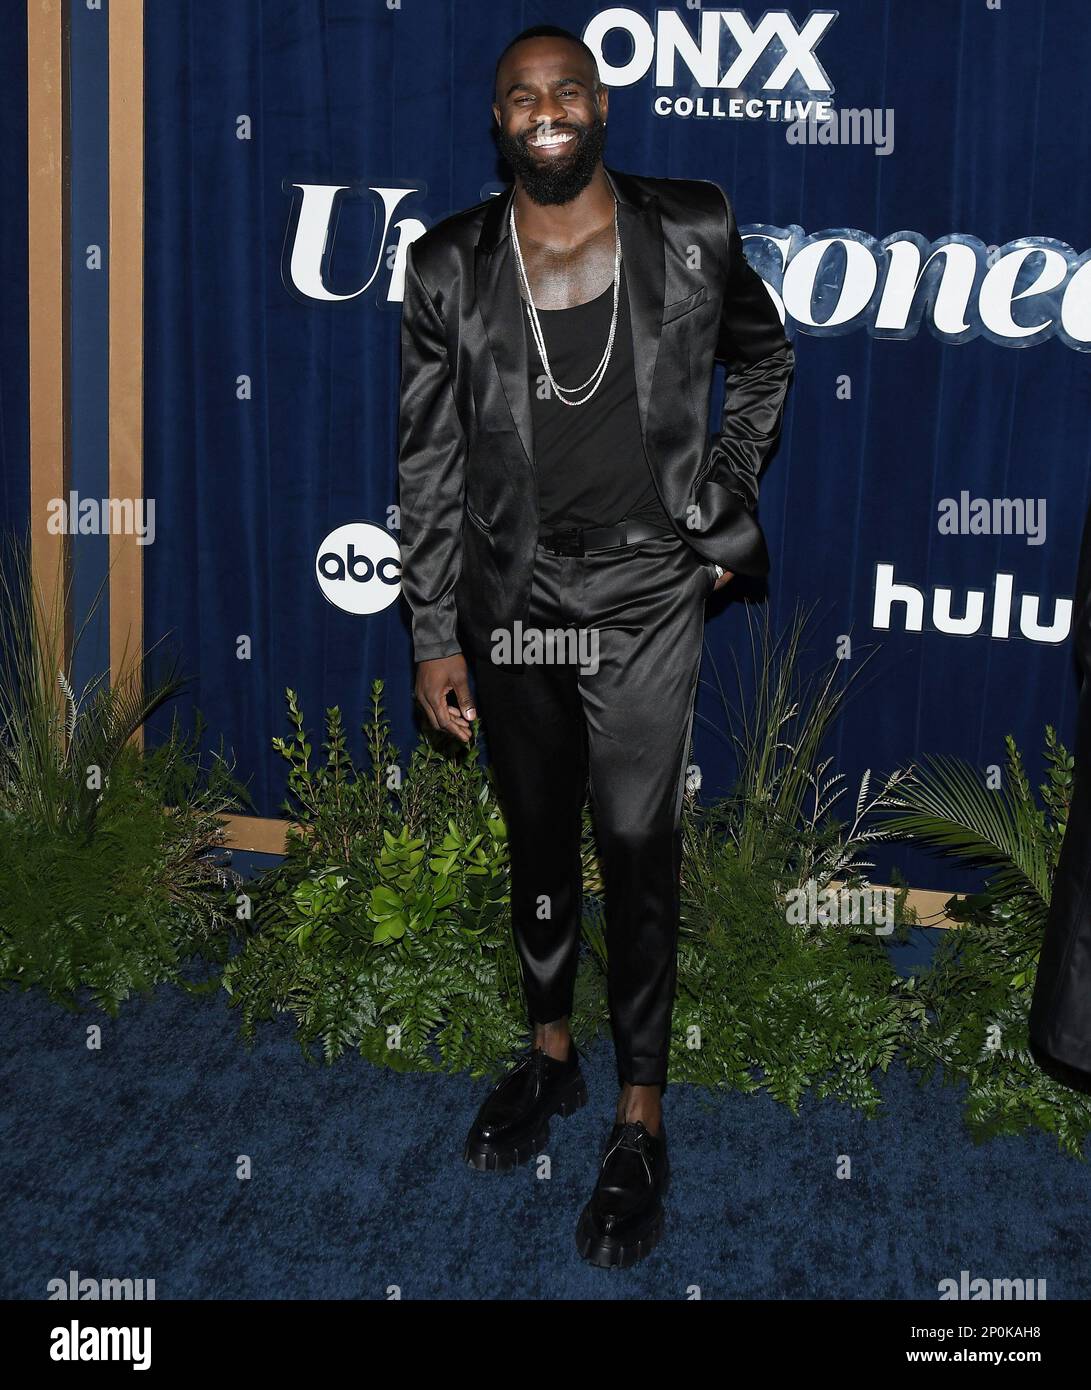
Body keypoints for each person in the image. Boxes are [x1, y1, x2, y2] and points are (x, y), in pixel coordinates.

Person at [396, 23, 794, 1267]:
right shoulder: (449, 264)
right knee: (534, 825)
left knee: (632, 835)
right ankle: (550, 1057)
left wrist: (716, 499)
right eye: (522, 96)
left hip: (645, 584)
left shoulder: (690, 227)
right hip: (509, 594)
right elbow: (428, 459)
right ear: (498, 119)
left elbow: (765, 358)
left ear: (601, 103)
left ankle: (639, 1112)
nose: (546, 109)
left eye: (566, 88)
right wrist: (430, 631)